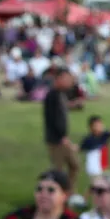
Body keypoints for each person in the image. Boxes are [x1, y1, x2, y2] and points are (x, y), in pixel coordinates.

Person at [43, 67, 80, 195]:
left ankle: (68, 193)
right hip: (57, 140)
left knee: (74, 166)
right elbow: (53, 118)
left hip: (63, 138)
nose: (70, 82)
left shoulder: (61, 94)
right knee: (57, 172)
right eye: (67, 79)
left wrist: (72, 105)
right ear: (58, 79)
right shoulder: (52, 95)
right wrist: (62, 137)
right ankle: (53, 196)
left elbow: (61, 111)